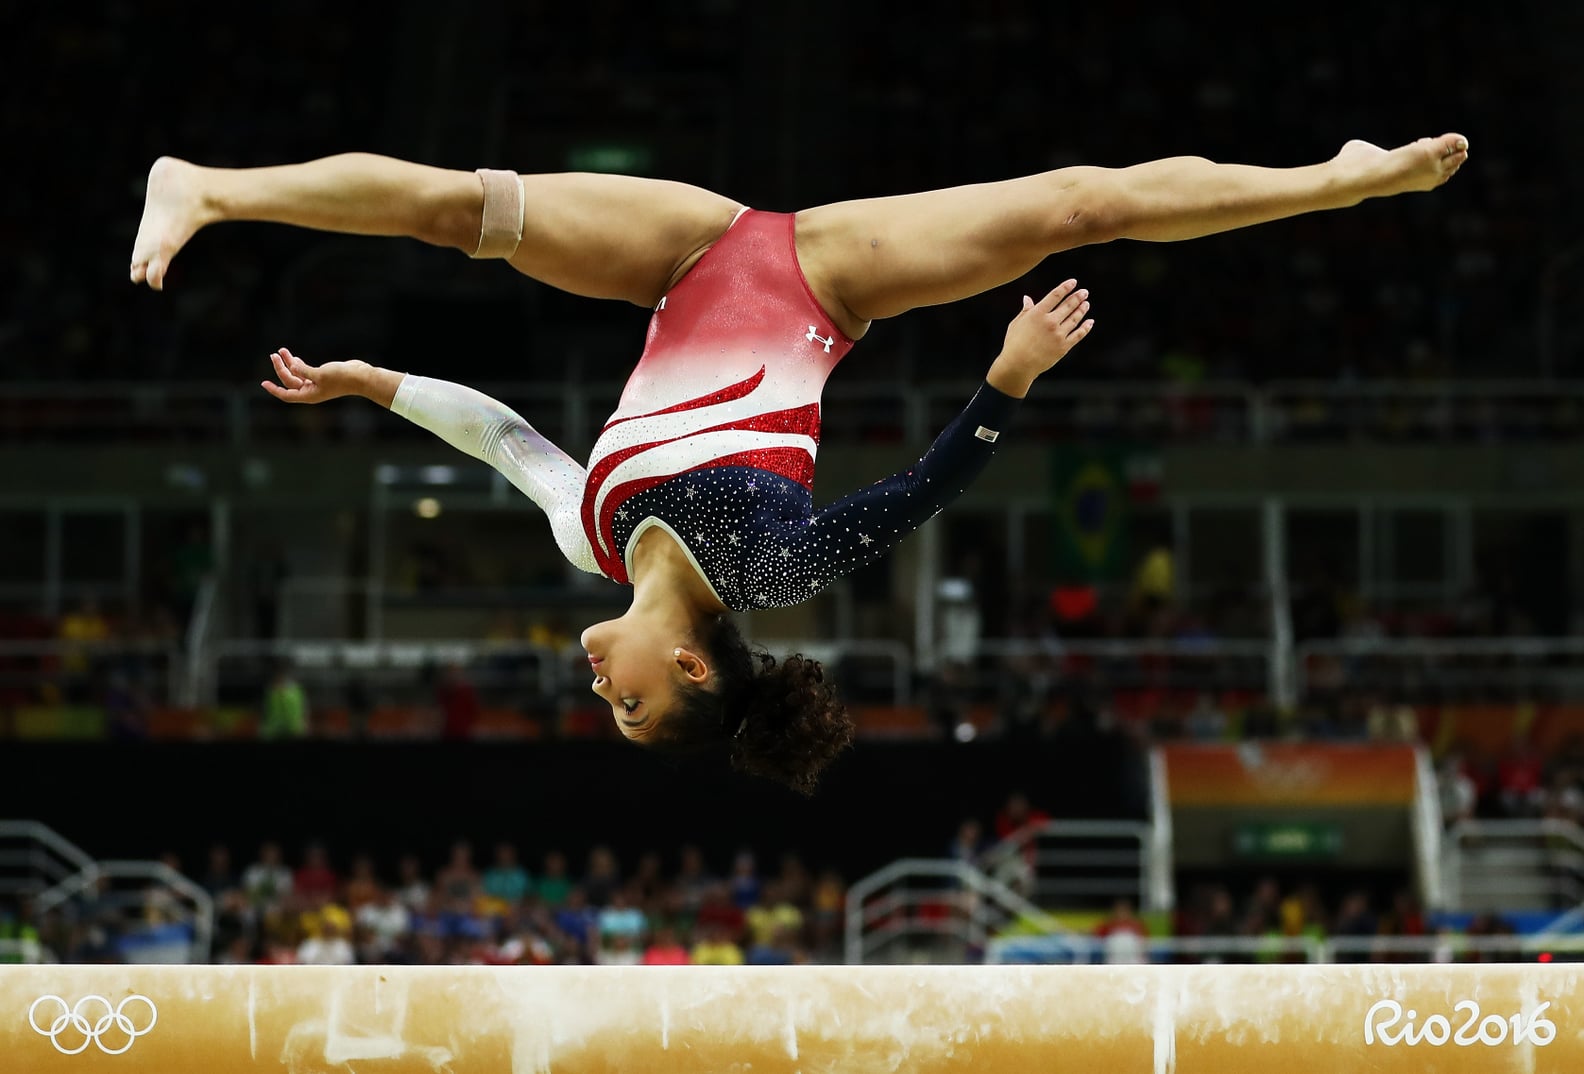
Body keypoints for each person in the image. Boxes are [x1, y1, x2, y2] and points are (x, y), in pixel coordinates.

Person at [130, 134, 1469, 793]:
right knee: (1081, 207)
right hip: (829, 281)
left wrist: (377, 384)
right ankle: (1336, 179)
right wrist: (1003, 383)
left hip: (680, 251)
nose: (602, 688)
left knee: (457, 211)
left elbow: (506, 440)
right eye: (636, 707)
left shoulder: (586, 539)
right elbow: (913, 498)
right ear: (698, 668)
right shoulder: (766, 564)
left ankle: (214, 184)